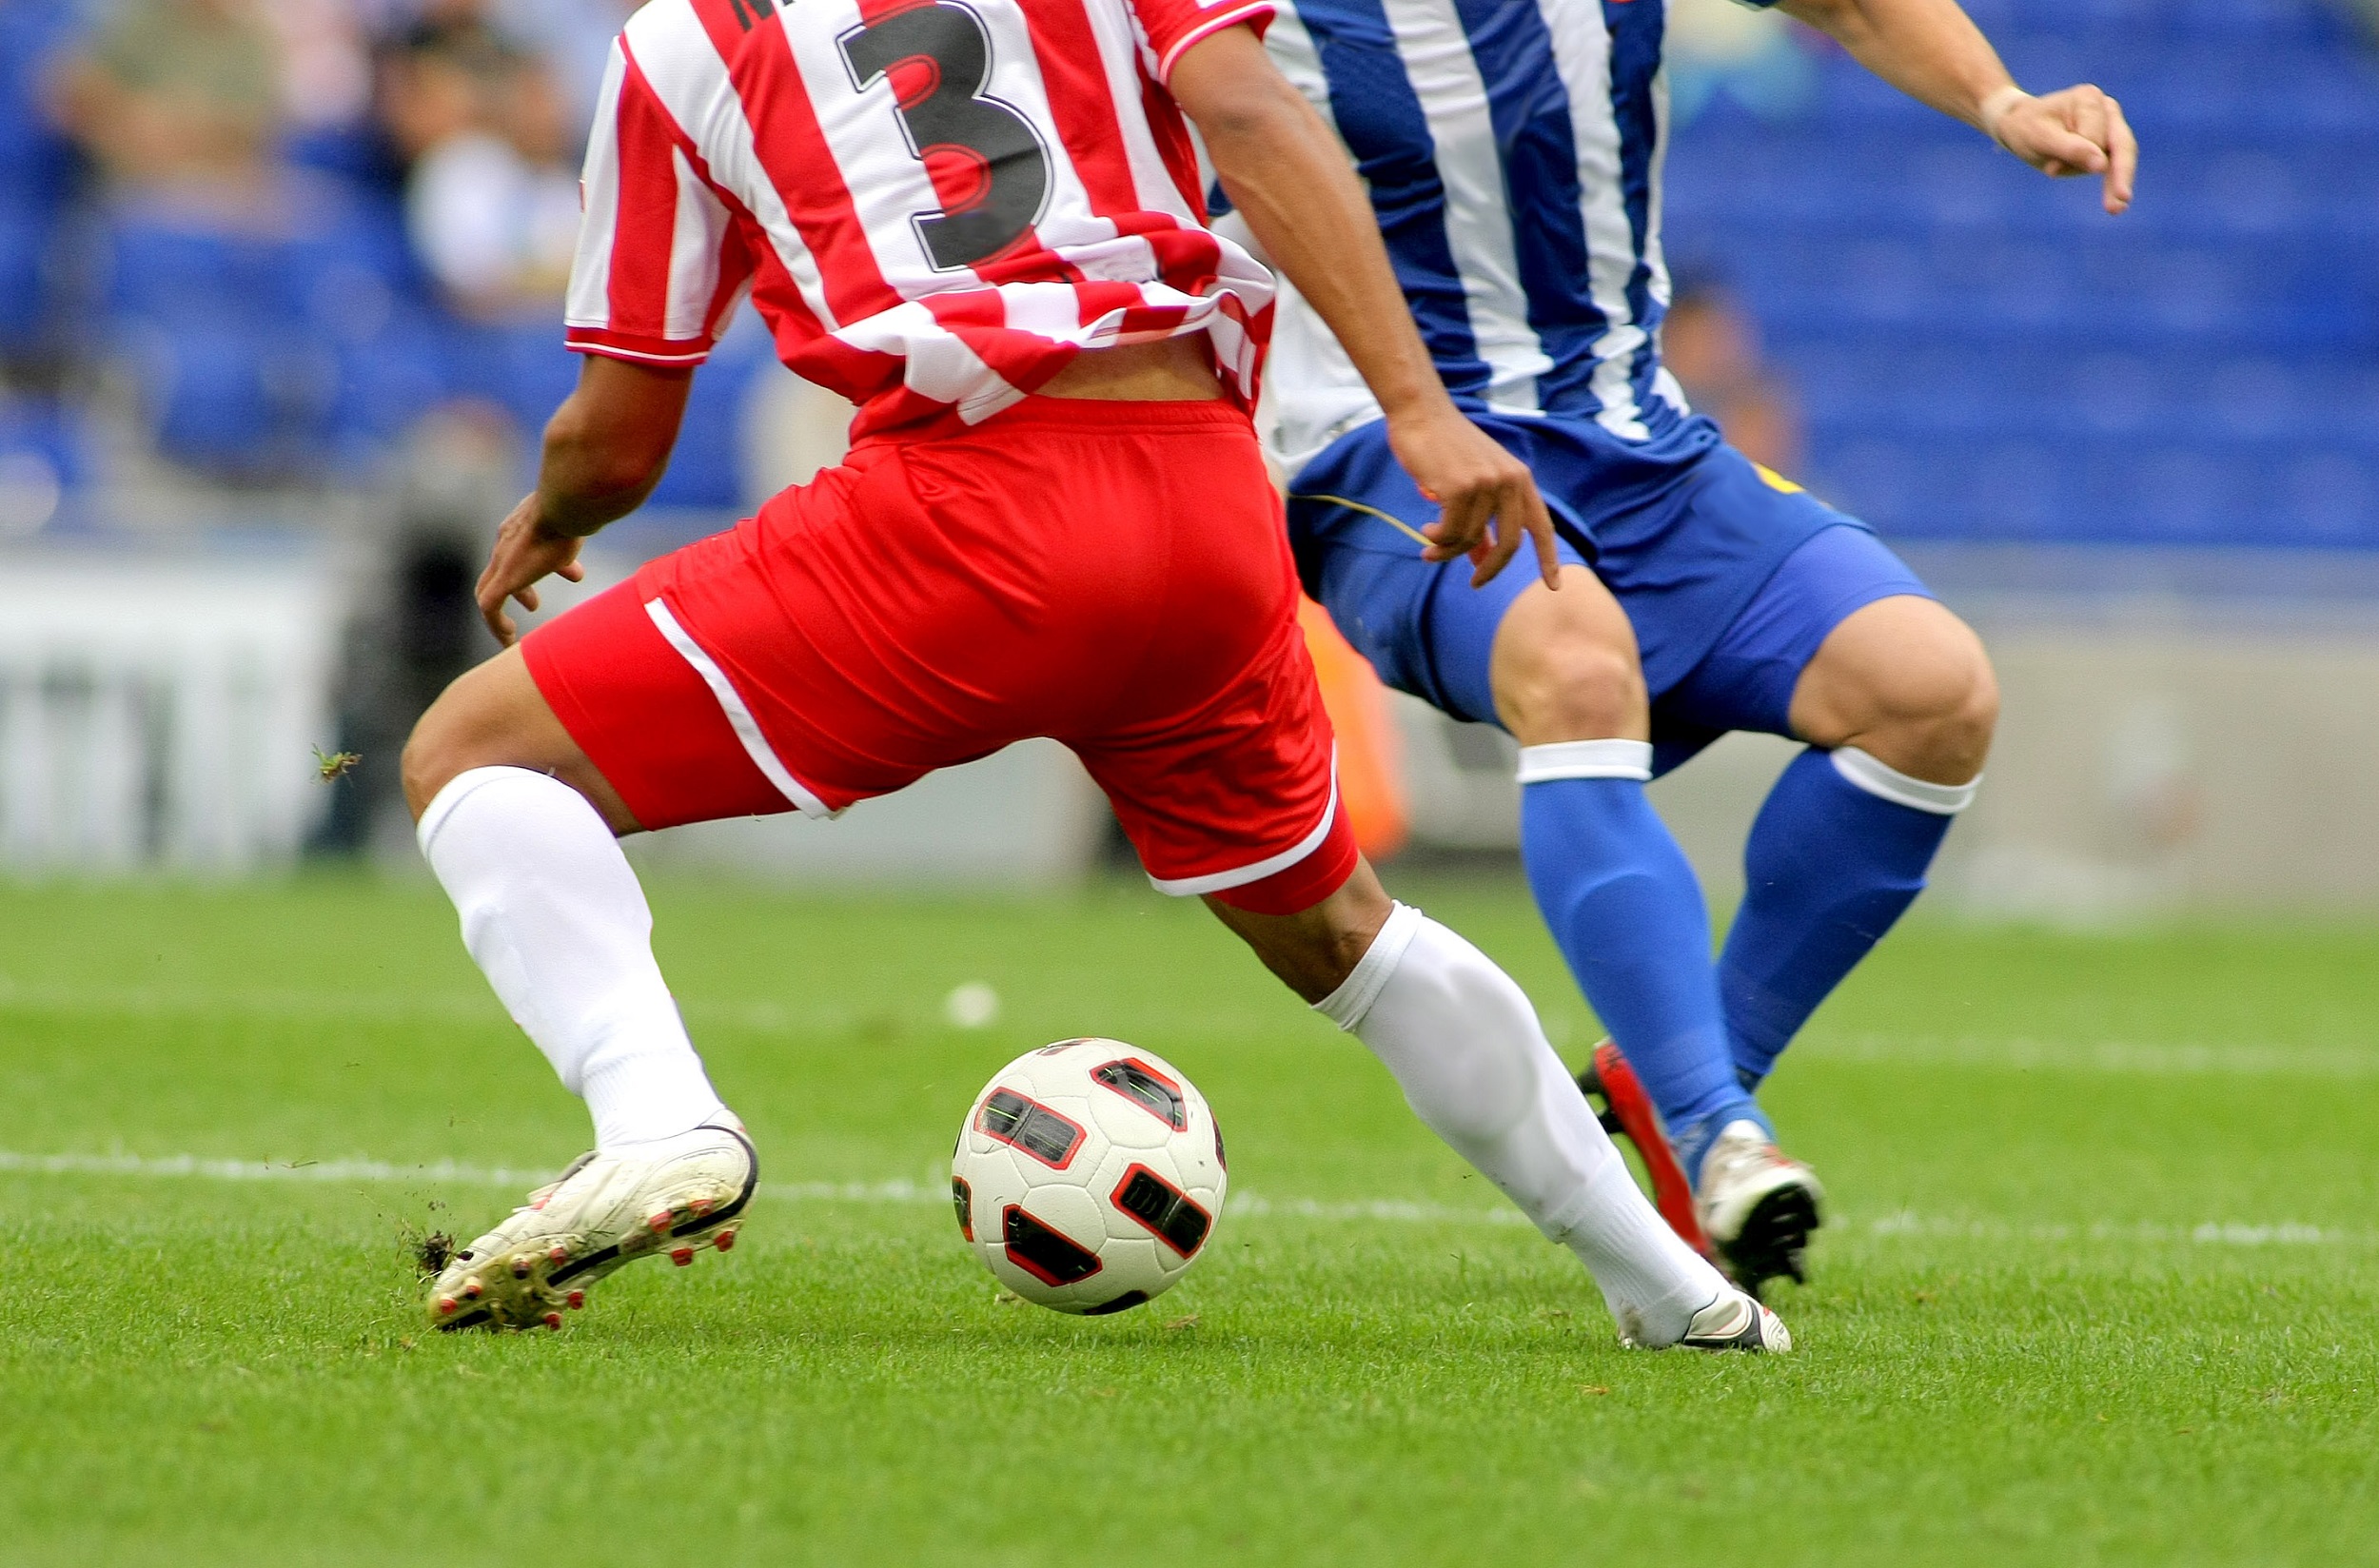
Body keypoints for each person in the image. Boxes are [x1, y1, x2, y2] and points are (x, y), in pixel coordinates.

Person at [398, 0, 1788, 1352]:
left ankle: (656, 1120)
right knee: (1342, 931)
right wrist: (1417, 410)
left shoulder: (679, 44)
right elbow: (1249, 107)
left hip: (964, 509)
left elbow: (623, 427)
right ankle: (1672, 1287)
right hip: (1201, 498)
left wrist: (564, 510)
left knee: (472, 756)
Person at [1248, 0, 2136, 1292]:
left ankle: (1676, 1076)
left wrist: (2002, 101)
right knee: (1578, 665)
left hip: (1636, 440)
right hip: (1384, 446)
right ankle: (1716, 1133)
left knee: (1931, 692)